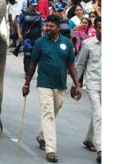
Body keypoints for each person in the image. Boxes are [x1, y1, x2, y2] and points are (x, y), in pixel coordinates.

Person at [22, 15, 82, 163]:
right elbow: (33, 63)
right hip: (44, 83)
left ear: (58, 28)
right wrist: (27, 83)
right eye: (46, 26)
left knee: (54, 110)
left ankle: (42, 135)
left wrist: (77, 85)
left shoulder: (67, 43)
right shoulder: (40, 42)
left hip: (60, 84)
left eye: (51, 26)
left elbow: (71, 65)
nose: (47, 28)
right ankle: (51, 150)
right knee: (48, 113)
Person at [76, 18, 102, 163]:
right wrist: (76, 85)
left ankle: (88, 139)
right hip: (93, 84)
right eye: (99, 27)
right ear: (95, 28)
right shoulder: (88, 44)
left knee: (99, 114)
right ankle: (100, 149)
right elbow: (79, 64)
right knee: (99, 113)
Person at [15, 0, 44, 74]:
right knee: (27, 55)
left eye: (35, 5)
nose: (34, 7)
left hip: (37, 38)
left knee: (35, 55)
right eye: (33, 5)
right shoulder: (24, 13)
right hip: (27, 37)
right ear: (29, 5)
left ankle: (31, 70)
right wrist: (19, 34)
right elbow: (18, 23)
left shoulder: (39, 15)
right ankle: (27, 71)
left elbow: (43, 25)